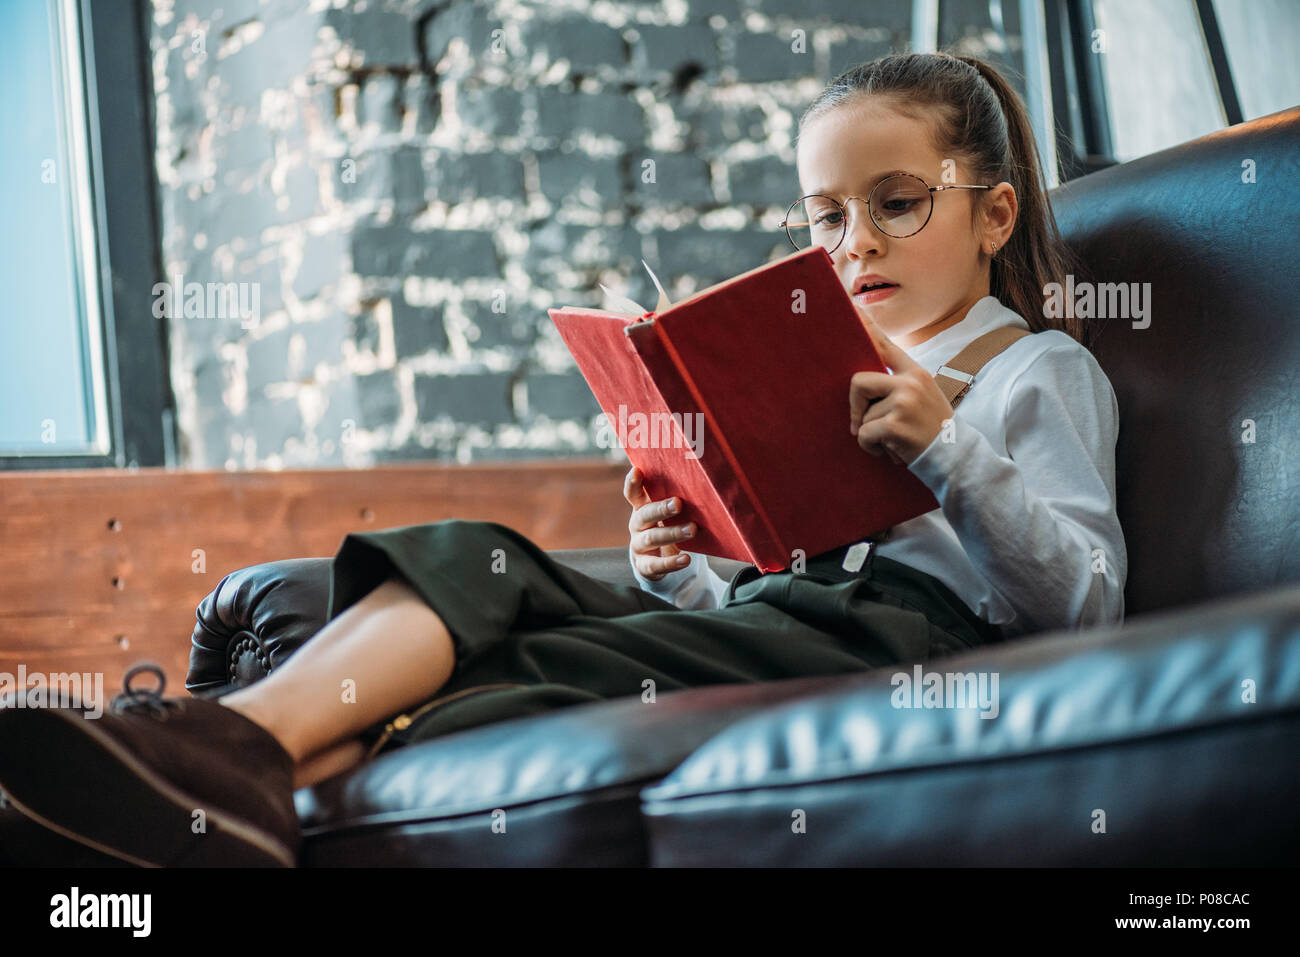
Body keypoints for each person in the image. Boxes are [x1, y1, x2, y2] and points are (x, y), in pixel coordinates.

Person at [0, 51, 1125, 867]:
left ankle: (195, 771)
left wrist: (950, 451)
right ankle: (216, 778)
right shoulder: (825, 366)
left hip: (903, 634)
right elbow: (766, 573)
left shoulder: (1038, 373)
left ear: (992, 215)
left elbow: (1086, 604)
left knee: (496, 680)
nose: (855, 242)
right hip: (783, 611)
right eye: (823, 217)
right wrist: (678, 562)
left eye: (895, 204)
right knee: (475, 561)